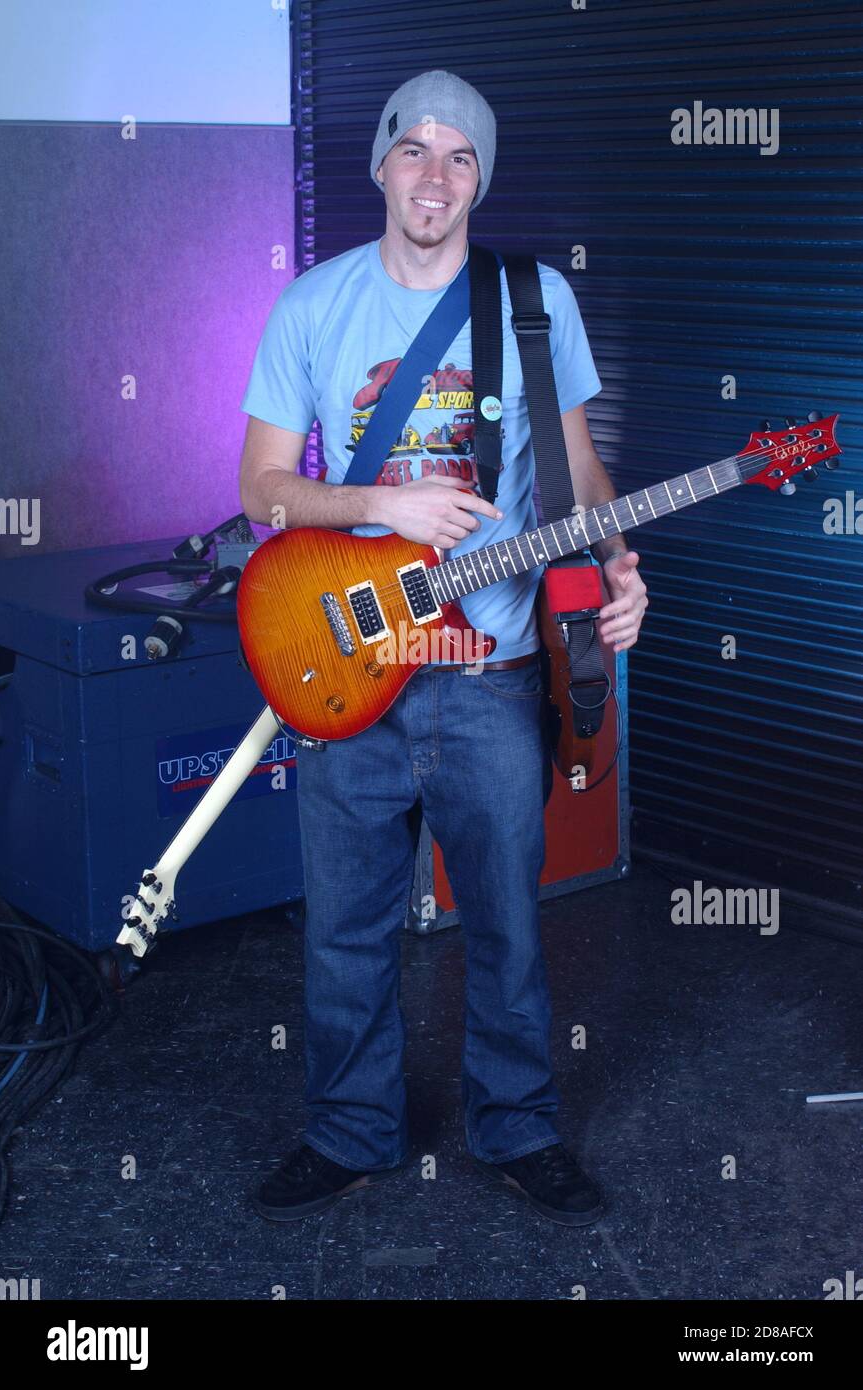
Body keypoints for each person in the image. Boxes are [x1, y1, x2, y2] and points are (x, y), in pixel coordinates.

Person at [238, 70, 648, 1227]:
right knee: (346, 925)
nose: (433, 175)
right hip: (353, 671)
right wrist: (382, 501)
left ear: (480, 178)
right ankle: (348, 1131)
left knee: (509, 923)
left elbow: (577, 473)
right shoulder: (311, 308)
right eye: (412, 150)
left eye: (458, 156)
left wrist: (616, 564)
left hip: (487, 676)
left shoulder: (534, 300)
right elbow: (262, 488)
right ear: (377, 165)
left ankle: (518, 1130)